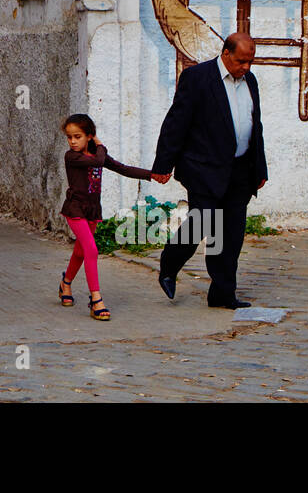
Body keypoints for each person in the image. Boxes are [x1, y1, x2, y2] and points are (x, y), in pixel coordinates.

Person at [151, 32, 268, 309]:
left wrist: (260, 169)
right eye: (241, 61)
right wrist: (163, 165)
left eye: (250, 61)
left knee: (230, 235)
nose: (246, 67)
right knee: (203, 222)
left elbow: (256, 127)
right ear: (225, 53)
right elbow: (175, 124)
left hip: (240, 170)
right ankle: (169, 264)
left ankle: (222, 293)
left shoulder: (250, 81)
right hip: (203, 168)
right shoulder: (197, 78)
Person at [57, 114, 164, 320]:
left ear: (88, 136)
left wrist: (151, 175)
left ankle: (66, 283)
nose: (72, 141)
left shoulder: (97, 155)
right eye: (69, 137)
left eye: (77, 136)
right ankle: (96, 299)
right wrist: (100, 144)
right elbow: (98, 159)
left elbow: (123, 169)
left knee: (80, 252)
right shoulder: (72, 157)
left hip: (92, 210)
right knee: (91, 250)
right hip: (75, 209)